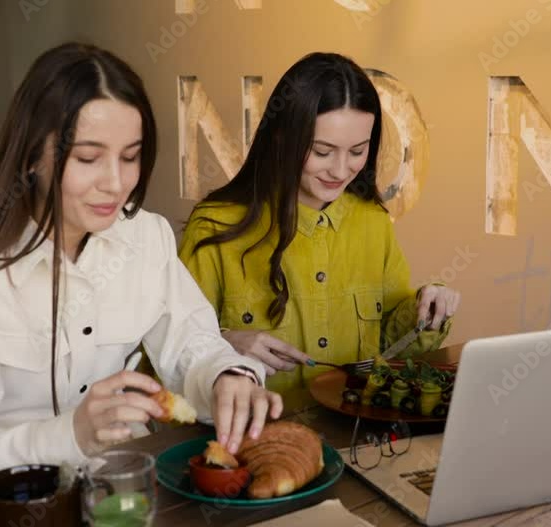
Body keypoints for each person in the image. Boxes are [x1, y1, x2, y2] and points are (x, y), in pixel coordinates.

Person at [0, 42, 280, 500]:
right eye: (87, 158)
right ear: (31, 157)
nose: (116, 183)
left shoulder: (146, 238)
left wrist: (226, 375)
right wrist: (70, 435)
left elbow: (190, 342)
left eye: (130, 156)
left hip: (124, 496)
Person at [178, 52, 461, 395]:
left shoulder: (373, 221)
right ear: (282, 138)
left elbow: (389, 352)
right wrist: (224, 344)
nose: (340, 170)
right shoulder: (214, 226)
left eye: (357, 151)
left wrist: (426, 310)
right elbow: (167, 356)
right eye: (322, 152)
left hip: (353, 427)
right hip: (257, 427)